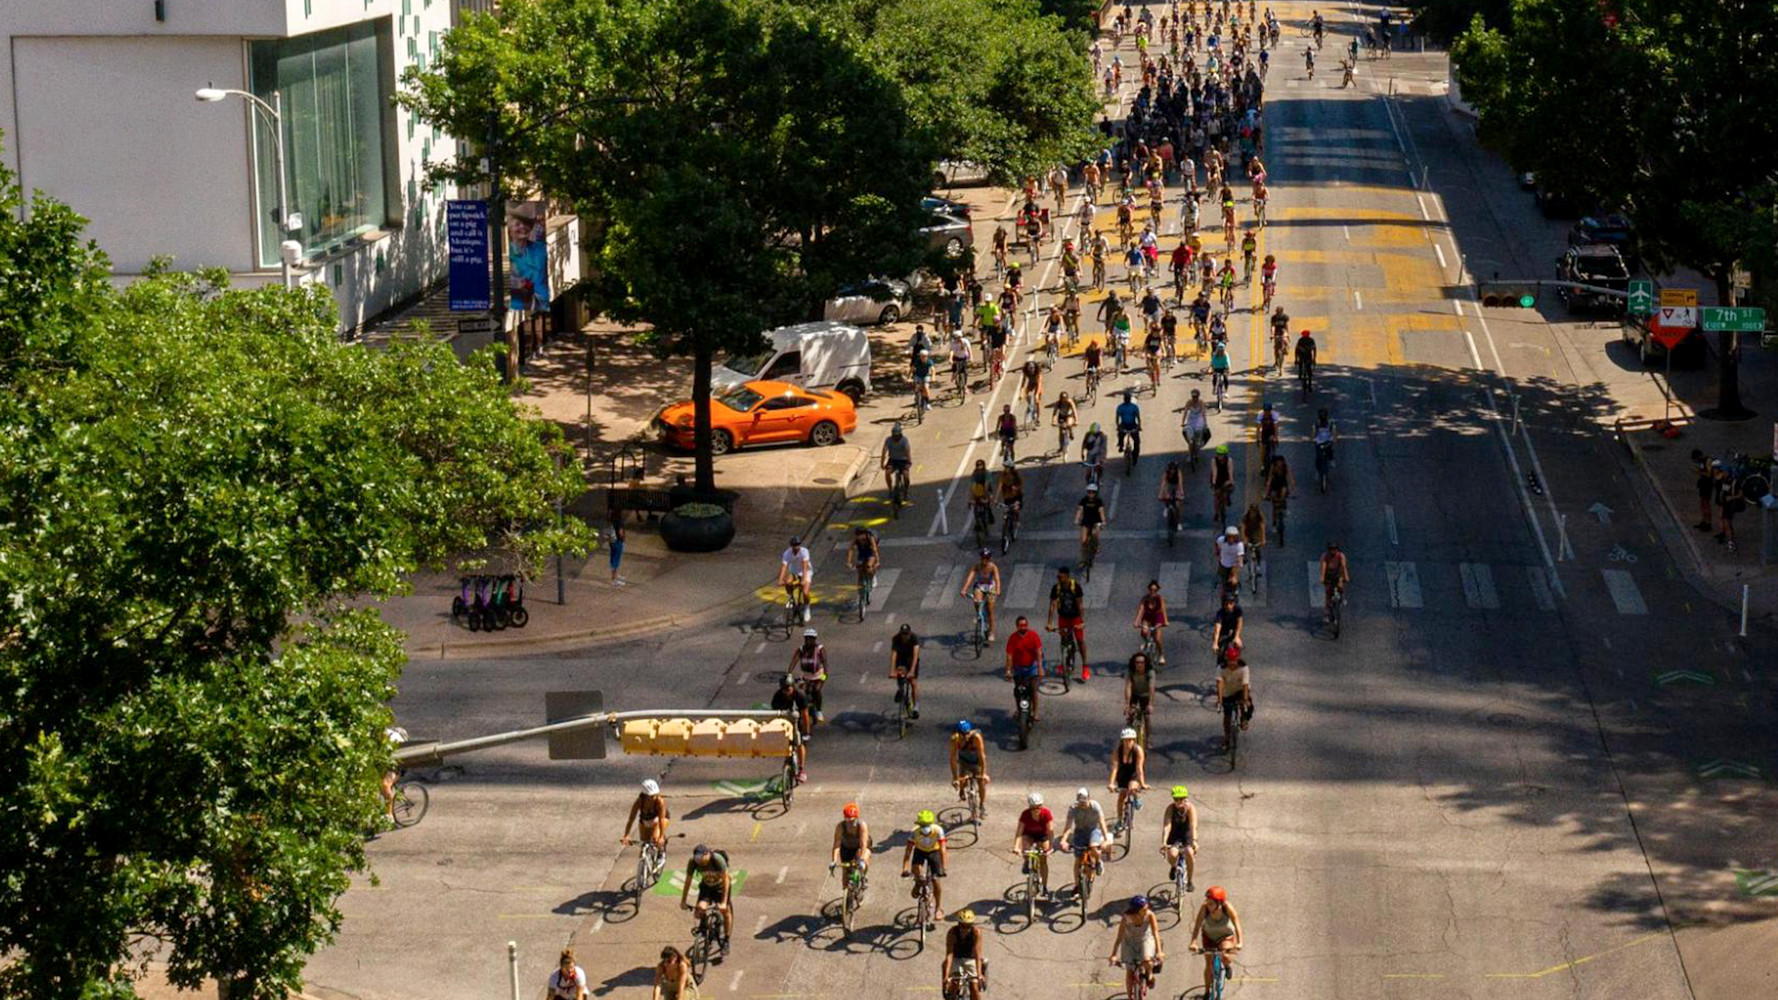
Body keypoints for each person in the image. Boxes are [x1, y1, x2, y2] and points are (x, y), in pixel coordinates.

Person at [681, 844, 734, 959]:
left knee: (726, 912)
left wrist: (724, 902)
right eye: (697, 860)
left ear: (707, 854)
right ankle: (705, 928)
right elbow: (688, 881)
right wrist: (683, 900)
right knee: (699, 910)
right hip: (707, 887)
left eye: (701, 860)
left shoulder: (717, 860)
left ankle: (726, 940)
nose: (700, 863)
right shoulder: (693, 862)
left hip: (721, 887)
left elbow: (725, 880)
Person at [1190, 887, 1244, 992]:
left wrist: (1240, 943)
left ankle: (1227, 965)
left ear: (1219, 903)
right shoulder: (1204, 908)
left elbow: (1237, 925)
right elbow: (1197, 925)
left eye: (1211, 903)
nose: (1208, 905)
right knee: (1208, 965)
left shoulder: (1227, 908)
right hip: (1209, 937)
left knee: (1226, 956)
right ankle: (1207, 991)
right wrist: (1193, 942)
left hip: (1225, 937)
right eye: (1207, 901)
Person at [1109, 896, 1165, 994]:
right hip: (1129, 942)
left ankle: (1149, 973)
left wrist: (1159, 951)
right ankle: (1130, 995)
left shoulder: (1150, 915)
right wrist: (1113, 954)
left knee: (1147, 961)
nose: (1147, 910)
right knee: (1130, 971)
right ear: (1136, 910)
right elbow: (1120, 936)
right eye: (1144, 909)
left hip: (1145, 939)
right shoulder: (1126, 917)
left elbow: (1155, 933)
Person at [903, 810, 950, 923]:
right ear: (919, 825)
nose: (925, 828)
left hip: (934, 851)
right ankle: (918, 883)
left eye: (927, 825)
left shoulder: (938, 830)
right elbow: (908, 851)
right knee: (916, 869)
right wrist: (905, 868)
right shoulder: (914, 832)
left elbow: (943, 850)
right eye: (923, 825)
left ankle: (938, 908)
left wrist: (944, 868)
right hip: (920, 851)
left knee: (936, 881)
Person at [1048, 566, 1091, 681]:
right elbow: (1052, 606)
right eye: (1058, 577)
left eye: (1060, 577)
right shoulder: (1056, 588)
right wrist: (1049, 623)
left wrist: (1082, 622)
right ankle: (1064, 662)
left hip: (1075, 618)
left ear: (1067, 577)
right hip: (1063, 618)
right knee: (1064, 640)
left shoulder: (1075, 587)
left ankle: (1085, 666)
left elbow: (1080, 605)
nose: (1058, 579)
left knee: (1080, 640)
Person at [1061, 788, 1111, 887]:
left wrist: (1106, 839)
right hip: (1080, 832)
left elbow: (1102, 822)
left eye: (1084, 802)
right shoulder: (1073, 809)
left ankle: (1098, 861)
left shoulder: (1095, 806)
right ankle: (1077, 885)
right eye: (1080, 803)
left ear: (1089, 799)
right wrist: (1063, 840)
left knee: (1093, 847)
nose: (1082, 805)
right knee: (1078, 859)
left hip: (1093, 831)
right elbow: (1068, 827)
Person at [1004, 614, 1046, 721]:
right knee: (1018, 691)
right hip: (1018, 668)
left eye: (1025, 625)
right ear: (1017, 627)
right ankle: (1019, 709)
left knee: (1033, 689)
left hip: (1032, 667)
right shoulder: (1013, 638)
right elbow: (1009, 656)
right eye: (1021, 626)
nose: (1023, 627)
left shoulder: (1033, 636)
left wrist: (1040, 668)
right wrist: (1008, 671)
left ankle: (1035, 712)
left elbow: (1039, 652)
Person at [1014, 792, 1056, 894]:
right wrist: (1016, 847)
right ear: (1030, 807)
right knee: (1026, 848)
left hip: (1042, 835)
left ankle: (1044, 887)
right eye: (1033, 807)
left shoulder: (1046, 813)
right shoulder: (1025, 814)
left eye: (1039, 807)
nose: (1036, 810)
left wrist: (1050, 847)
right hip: (1029, 834)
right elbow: (1019, 832)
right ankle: (1027, 861)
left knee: (1043, 861)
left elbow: (1050, 831)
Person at [771, 674, 810, 781]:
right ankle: (787, 762)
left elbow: (805, 715)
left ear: (793, 686)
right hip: (785, 722)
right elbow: (775, 715)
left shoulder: (800, 696)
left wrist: (807, 732)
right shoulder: (777, 697)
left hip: (798, 722)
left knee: (800, 743)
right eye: (785, 689)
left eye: (789, 688)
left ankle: (801, 769)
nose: (787, 691)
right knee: (786, 743)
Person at [943, 909, 987, 1000]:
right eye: (963, 926)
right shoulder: (952, 933)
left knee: (974, 988)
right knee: (954, 985)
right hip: (956, 958)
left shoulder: (976, 933)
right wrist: (946, 976)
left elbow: (977, 953)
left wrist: (979, 974)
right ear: (958, 924)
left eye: (968, 926)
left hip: (970, 958)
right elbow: (950, 954)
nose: (965, 929)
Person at [1161, 785, 1198, 890]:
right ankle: (1174, 867)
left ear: (1185, 798)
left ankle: (1190, 881)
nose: (1179, 802)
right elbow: (1167, 826)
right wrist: (1164, 842)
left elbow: (1193, 826)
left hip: (1186, 833)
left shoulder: (1190, 808)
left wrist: (1194, 841)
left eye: (1181, 799)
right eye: (1176, 799)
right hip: (1175, 834)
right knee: (1172, 854)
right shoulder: (1170, 809)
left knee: (1189, 853)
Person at [789, 627, 829, 725]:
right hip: (806, 677)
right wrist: (789, 673)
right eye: (806, 638)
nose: (808, 641)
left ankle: (819, 711)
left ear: (815, 639)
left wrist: (824, 677)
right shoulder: (801, 649)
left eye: (811, 638)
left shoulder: (820, 649)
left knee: (816, 690)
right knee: (801, 693)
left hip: (819, 676)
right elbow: (794, 660)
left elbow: (825, 663)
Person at [961, 547, 1003, 640]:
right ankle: (979, 615)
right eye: (983, 558)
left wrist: (998, 590)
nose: (984, 561)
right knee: (977, 601)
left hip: (991, 587)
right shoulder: (977, 566)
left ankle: (991, 632)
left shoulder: (993, 567)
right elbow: (970, 578)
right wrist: (964, 589)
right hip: (980, 586)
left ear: (989, 559)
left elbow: (997, 579)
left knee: (990, 609)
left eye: (986, 558)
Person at [1108, 726, 1148, 823]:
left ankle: (1136, 797)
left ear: (1134, 740)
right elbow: (1115, 768)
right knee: (1121, 796)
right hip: (1123, 773)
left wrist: (1142, 783)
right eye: (1126, 740)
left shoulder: (1138, 750)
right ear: (1122, 741)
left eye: (1130, 740)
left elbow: (1139, 768)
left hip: (1134, 772)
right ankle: (1119, 820)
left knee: (1131, 787)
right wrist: (1111, 783)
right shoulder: (1117, 751)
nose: (1128, 742)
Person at [622, 778, 671, 855]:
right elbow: (631, 819)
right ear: (645, 795)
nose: (654, 798)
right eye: (651, 796)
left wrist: (661, 837)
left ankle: (661, 852)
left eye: (655, 795)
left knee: (654, 839)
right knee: (644, 845)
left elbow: (661, 819)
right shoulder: (639, 802)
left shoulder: (660, 802)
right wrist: (626, 835)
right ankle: (643, 864)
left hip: (659, 819)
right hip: (645, 820)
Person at [950, 720, 990, 810]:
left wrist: (983, 774)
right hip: (963, 761)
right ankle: (961, 790)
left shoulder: (976, 738)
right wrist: (955, 778)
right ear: (958, 733)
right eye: (962, 734)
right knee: (962, 780)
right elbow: (952, 758)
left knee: (981, 783)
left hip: (976, 762)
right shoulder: (954, 740)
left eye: (967, 733)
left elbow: (982, 756)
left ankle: (982, 804)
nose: (965, 736)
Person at [1216, 644, 1251, 747]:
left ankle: (1243, 718)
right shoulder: (1221, 668)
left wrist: (1245, 699)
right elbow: (1219, 683)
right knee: (1227, 715)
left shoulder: (1244, 668)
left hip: (1240, 690)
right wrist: (1220, 699)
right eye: (1230, 661)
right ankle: (1226, 737)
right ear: (1226, 660)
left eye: (1234, 661)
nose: (1232, 664)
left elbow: (1245, 684)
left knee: (1245, 703)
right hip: (1227, 691)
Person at [1132, 579, 1170, 665]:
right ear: (1149, 590)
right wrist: (1136, 621)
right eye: (1151, 590)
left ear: (1157, 590)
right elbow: (1141, 609)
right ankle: (1146, 642)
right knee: (1144, 631)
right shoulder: (1145, 599)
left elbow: (1163, 609)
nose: (1153, 591)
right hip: (1147, 617)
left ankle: (1161, 655)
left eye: (1155, 590)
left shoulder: (1160, 598)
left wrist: (1165, 621)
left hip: (1157, 617)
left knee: (1157, 638)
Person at [889, 622, 922, 718]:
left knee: (913, 682)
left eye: (906, 634)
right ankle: (900, 689)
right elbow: (894, 655)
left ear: (910, 633)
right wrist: (892, 670)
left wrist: (912, 671)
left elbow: (915, 655)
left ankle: (916, 707)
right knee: (900, 675)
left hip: (911, 659)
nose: (904, 636)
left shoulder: (914, 638)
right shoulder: (896, 639)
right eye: (903, 634)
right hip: (901, 659)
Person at [833, 802, 874, 880]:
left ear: (856, 819)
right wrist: (834, 861)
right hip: (846, 847)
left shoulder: (862, 825)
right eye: (847, 821)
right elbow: (837, 845)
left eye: (852, 821)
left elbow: (863, 844)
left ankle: (862, 876)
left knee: (863, 858)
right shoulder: (840, 827)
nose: (850, 824)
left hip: (860, 846)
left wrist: (861, 859)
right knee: (845, 873)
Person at [779, 537, 814, 622]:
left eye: (798, 545)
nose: (796, 547)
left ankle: (807, 608)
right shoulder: (787, 553)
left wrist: (804, 579)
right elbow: (784, 567)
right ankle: (790, 597)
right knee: (787, 582)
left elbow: (805, 566)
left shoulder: (804, 551)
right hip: (794, 571)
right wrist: (780, 580)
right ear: (791, 546)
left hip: (806, 572)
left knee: (805, 593)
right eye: (794, 545)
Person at [1077, 480, 1108, 555]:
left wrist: (1103, 521)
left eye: (1093, 492)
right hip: (1086, 520)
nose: (1091, 494)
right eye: (1089, 492)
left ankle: (1097, 546)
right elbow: (1080, 509)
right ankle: (1084, 556)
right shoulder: (1084, 500)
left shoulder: (1098, 501)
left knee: (1095, 533)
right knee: (1083, 539)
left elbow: (1101, 511)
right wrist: (1077, 518)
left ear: (1095, 493)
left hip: (1096, 520)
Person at [1211, 590, 1244, 660]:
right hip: (1223, 631)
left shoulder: (1238, 609)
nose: (1228, 606)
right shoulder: (1220, 613)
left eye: (1231, 603)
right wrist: (1215, 643)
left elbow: (1240, 622)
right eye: (1226, 604)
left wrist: (1237, 636)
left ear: (1234, 603)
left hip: (1233, 629)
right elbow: (1217, 627)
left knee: (1238, 646)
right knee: (1220, 652)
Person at [1319, 541, 1350, 615]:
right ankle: (1327, 610)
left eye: (1334, 549)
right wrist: (1322, 578)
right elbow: (1323, 567)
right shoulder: (1325, 556)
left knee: (1340, 585)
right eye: (1330, 549)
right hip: (1328, 573)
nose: (1332, 551)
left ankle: (1342, 597)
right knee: (1328, 592)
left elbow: (1343, 566)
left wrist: (1345, 576)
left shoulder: (1341, 556)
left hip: (1337, 573)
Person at [848, 525, 880, 592]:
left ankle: (872, 576)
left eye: (861, 535)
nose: (860, 537)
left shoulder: (870, 537)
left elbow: (874, 549)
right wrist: (849, 561)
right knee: (859, 567)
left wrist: (877, 561)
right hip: (862, 550)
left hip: (870, 550)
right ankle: (860, 584)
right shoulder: (855, 539)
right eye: (858, 535)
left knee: (869, 566)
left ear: (865, 534)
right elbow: (851, 549)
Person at [1213, 524, 1245, 592]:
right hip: (1224, 564)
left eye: (1233, 537)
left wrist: (1239, 564)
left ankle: (1235, 593)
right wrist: (1217, 552)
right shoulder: (1221, 540)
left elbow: (1240, 556)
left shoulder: (1239, 545)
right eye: (1229, 537)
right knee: (1224, 583)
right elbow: (1216, 544)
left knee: (1233, 581)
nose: (1231, 539)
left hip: (1234, 566)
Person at [1311, 408, 1337, 487]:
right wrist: (1313, 439)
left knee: (1329, 450)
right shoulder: (1316, 424)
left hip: (1328, 441)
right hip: (1319, 442)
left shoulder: (1330, 423)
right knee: (1318, 457)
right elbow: (1313, 432)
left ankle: (1331, 458)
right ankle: (1318, 471)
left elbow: (1334, 432)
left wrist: (1334, 438)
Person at [1209, 443, 1234, 522]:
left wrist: (1231, 481)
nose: (1220, 456)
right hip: (1217, 478)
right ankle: (1216, 513)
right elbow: (1214, 472)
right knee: (1216, 497)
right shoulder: (1214, 461)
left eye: (1221, 455)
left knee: (1228, 488)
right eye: (1218, 454)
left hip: (1226, 478)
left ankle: (1227, 496)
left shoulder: (1229, 460)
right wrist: (1213, 483)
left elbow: (1230, 471)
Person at [1159, 461, 1187, 528]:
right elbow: (1163, 484)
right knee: (1166, 495)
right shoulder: (1166, 473)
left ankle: (1179, 523)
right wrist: (1161, 493)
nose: (1172, 471)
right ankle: (1166, 507)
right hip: (1169, 485)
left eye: (1173, 469)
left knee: (1178, 505)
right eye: (1171, 469)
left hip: (1176, 485)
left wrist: (1181, 493)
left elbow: (1180, 483)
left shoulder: (1178, 473)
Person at [1240, 501, 1267, 566]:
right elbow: (1243, 527)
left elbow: (1262, 527)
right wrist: (1243, 538)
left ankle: (1258, 565)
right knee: (1244, 547)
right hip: (1248, 534)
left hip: (1256, 535)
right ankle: (1244, 558)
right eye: (1252, 511)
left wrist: (1263, 539)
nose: (1253, 514)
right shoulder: (1246, 517)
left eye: (1254, 512)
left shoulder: (1260, 518)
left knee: (1257, 550)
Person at [1257, 403, 1280, 468]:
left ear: (1271, 410)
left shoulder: (1275, 415)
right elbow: (1258, 428)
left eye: (1268, 411)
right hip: (1264, 432)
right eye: (1265, 411)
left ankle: (1272, 455)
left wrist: (1276, 437)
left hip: (1271, 431)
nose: (1267, 412)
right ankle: (1262, 465)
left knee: (1272, 442)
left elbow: (1276, 427)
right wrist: (1258, 438)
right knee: (1262, 449)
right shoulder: (1260, 415)